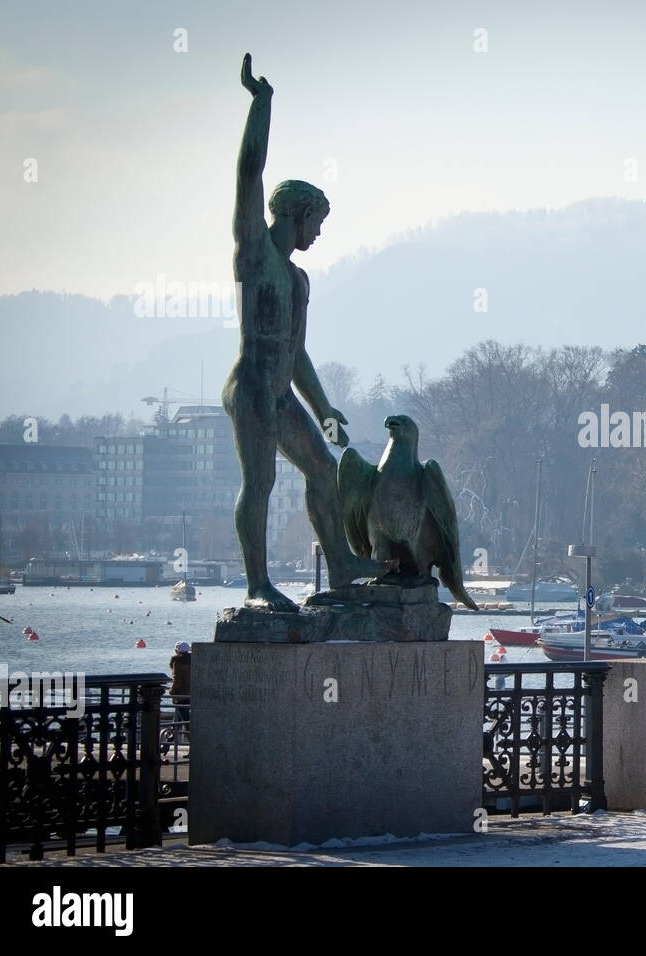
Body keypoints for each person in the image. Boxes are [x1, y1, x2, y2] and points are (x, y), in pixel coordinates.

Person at [225, 52, 380, 611]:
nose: (319, 233)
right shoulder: (256, 253)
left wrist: (326, 409)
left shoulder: (298, 278)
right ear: (296, 213)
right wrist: (261, 105)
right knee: (260, 482)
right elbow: (248, 172)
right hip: (250, 389)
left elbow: (297, 355)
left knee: (324, 466)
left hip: (282, 388)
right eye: (317, 222)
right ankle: (257, 584)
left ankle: (340, 565)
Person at [169, 641, 192, 724]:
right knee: (179, 715)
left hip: (181, 694)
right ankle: (172, 733)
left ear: (177, 651)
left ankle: (190, 735)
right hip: (191, 693)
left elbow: (176, 679)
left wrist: (172, 691)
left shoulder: (177, 662)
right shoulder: (193, 661)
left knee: (185, 718)